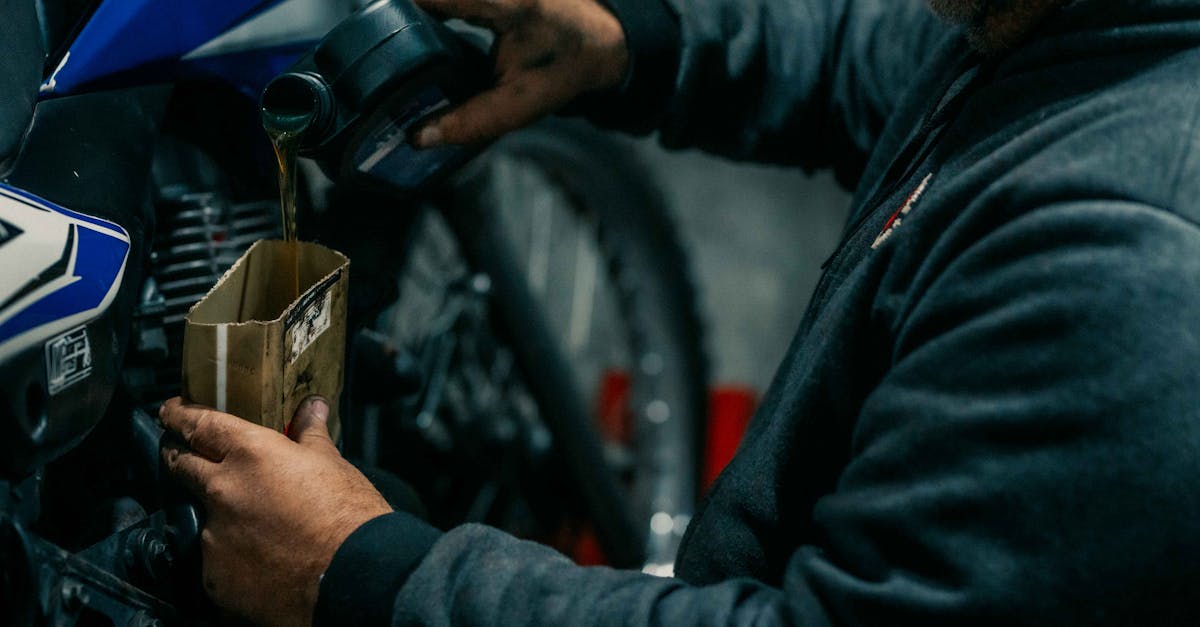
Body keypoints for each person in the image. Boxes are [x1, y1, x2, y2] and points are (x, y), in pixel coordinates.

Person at [159, 0, 1200, 624]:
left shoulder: (1128, 258)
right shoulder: (1077, 28)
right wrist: (630, 43)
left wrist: (367, 577)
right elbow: (873, 63)